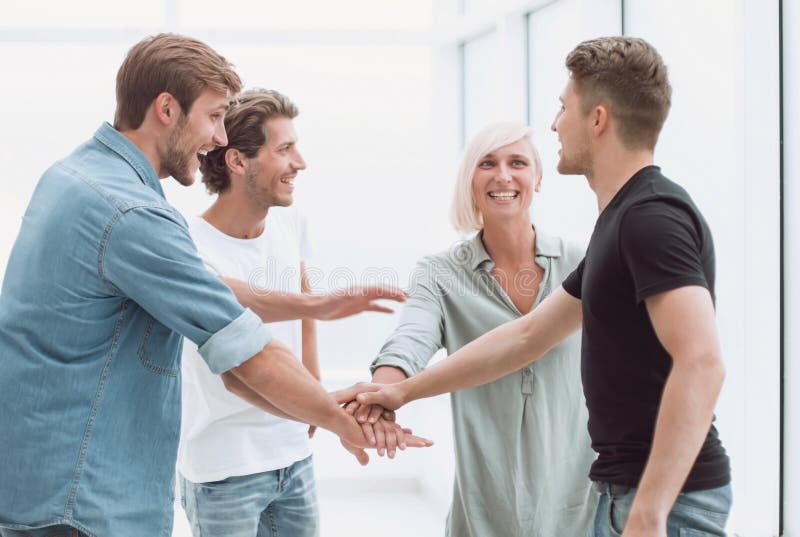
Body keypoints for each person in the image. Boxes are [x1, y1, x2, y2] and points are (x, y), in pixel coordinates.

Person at [0, 34, 402, 537]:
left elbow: (203, 289)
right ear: (166, 109)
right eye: (213, 117)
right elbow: (246, 350)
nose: (218, 138)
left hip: (40, 480)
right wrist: (344, 421)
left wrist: (313, 305)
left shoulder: (73, 177)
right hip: (81, 502)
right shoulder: (134, 214)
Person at [356, 36, 732, 537]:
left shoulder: (649, 220)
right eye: (487, 163)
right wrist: (399, 392)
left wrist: (650, 511)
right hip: (626, 496)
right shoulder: (619, 224)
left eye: (563, 107)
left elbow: (703, 362)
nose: (556, 123)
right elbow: (526, 336)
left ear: (597, 119)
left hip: (659, 504)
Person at [178, 88, 430, 537]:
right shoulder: (190, 247)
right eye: (285, 149)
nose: (301, 162)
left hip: (293, 455)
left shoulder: (291, 224)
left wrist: (314, 400)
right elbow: (239, 367)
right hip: (225, 466)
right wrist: (326, 412)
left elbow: (303, 316)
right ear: (237, 161)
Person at [344, 121, 595, 536]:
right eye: (487, 163)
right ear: (470, 181)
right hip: (483, 514)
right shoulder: (440, 273)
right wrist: (378, 398)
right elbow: (409, 341)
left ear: (538, 178)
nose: (503, 175)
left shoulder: (581, 262)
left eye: (518, 162)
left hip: (576, 510)